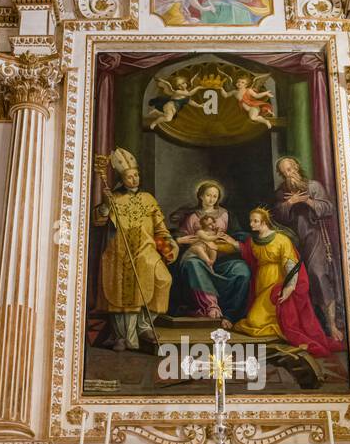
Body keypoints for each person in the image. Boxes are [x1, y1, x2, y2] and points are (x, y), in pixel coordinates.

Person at [92, 148, 177, 351]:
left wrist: (168, 247)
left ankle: (144, 325)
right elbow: (99, 220)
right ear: (123, 179)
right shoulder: (114, 198)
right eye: (129, 177)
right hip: (121, 250)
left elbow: (159, 228)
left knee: (164, 280)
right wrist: (105, 204)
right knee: (124, 294)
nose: (134, 179)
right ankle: (124, 336)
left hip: (146, 250)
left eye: (136, 175)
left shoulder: (148, 199)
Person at [234, 207, 343, 356]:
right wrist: (230, 243)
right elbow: (247, 251)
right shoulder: (254, 240)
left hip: (275, 285)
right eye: (251, 221)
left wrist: (290, 287)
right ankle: (280, 327)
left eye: (255, 221)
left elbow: (291, 265)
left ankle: (286, 332)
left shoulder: (281, 239)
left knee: (253, 321)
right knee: (260, 318)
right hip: (261, 282)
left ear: (264, 222)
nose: (251, 224)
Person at [270, 157, 344, 341]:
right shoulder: (282, 192)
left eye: (291, 167)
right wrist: (290, 202)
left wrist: (308, 201)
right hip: (293, 239)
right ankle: (305, 325)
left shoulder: (313, 186)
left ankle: (331, 324)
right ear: (282, 175)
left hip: (316, 236)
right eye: (285, 171)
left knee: (318, 274)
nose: (290, 172)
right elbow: (278, 215)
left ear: (297, 166)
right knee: (296, 280)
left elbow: (328, 208)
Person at [171, 180, 251, 324]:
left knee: (242, 270)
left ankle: (230, 313)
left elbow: (237, 234)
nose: (211, 199)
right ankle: (209, 306)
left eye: (215, 196)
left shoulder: (225, 214)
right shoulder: (192, 216)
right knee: (192, 264)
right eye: (208, 195)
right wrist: (180, 240)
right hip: (197, 255)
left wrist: (232, 241)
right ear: (201, 196)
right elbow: (179, 235)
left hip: (221, 257)